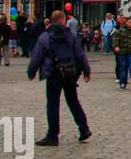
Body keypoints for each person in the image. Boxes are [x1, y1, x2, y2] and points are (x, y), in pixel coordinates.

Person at [28, 10, 92, 146]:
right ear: (63, 20)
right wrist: (86, 71)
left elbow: (37, 56)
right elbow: (80, 54)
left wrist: (31, 72)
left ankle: (52, 135)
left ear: (51, 20)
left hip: (53, 73)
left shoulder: (45, 36)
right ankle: (84, 129)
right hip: (70, 73)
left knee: (52, 104)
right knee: (73, 102)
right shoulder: (70, 35)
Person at [112, 15, 131, 90]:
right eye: (129, 22)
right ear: (126, 23)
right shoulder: (120, 31)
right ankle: (123, 82)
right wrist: (116, 47)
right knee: (123, 67)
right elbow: (115, 39)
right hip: (122, 52)